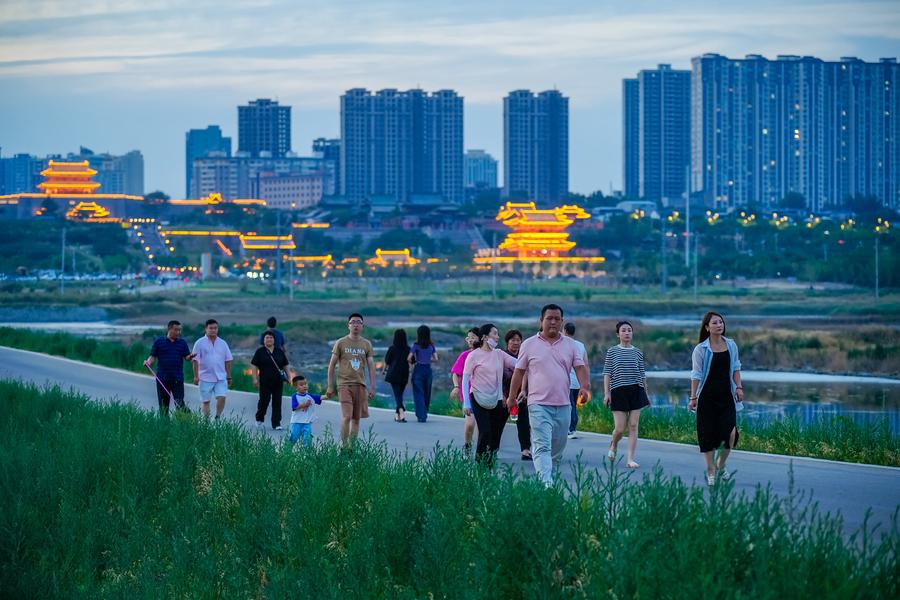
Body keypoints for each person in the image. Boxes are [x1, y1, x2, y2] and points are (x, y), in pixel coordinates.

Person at [506, 304, 590, 486]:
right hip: (538, 403)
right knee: (542, 444)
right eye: (549, 318)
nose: (553, 322)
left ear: (562, 321)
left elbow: (580, 368)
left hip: (563, 403)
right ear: (541, 321)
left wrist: (584, 386)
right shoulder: (528, 344)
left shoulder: (571, 345)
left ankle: (546, 470)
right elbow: (519, 372)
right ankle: (546, 484)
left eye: (557, 319)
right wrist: (512, 396)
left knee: (558, 447)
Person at [689, 311, 744, 486]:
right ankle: (711, 471)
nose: (719, 325)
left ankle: (720, 465)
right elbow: (696, 374)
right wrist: (693, 397)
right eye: (715, 323)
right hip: (706, 397)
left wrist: (739, 387)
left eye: (721, 322)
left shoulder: (731, 345)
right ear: (707, 327)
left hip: (726, 396)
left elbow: (736, 367)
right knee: (707, 435)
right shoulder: (701, 349)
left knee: (731, 434)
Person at [462, 324, 518, 468]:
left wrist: (535, 361)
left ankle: (490, 462)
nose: (498, 337)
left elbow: (518, 364)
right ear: (485, 337)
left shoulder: (499, 354)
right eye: (495, 334)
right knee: (485, 432)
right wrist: (466, 403)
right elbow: (465, 379)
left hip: (497, 399)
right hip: (478, 397)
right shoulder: (473, 355)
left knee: (496, 433)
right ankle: (480, 465)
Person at [603, 321, 650, 469]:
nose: (627, 333)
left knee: (634, 425)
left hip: (637, 390)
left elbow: (642, 374)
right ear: (618, 334)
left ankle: (630, 459)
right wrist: (607, 393)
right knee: (620, 429)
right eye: (624, 330)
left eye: (629, 330)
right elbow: (607, 373)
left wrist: (646, 395)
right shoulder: (612, 351)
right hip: (618, 391)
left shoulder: (638, 352)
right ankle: (614, 443)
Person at [325, 313, 376, 447]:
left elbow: (371, 367)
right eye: (353, 322)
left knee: (356, 419)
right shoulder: (341, 343)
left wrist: (372, 387)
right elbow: (331, 366)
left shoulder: (366, 344)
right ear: (348, 325)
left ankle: (351, 448)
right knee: (347, 416)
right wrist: (330, 386)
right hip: (344, 384)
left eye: (359, 322)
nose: (356, 325)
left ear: (362, 326)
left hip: (360, 385)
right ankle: (344, 446)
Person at [144, 320, 195, 415]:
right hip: (162, 378)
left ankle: (186, 420)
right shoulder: (159, 342)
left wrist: (190, 357)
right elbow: (152, 356)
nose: (178, 332)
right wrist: (148, 362)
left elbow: (186, 357)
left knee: (179, 402)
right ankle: (165, 425)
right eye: (176, 330)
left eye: (180, 330)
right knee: (164, 405)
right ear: (169, 329)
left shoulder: (182, 343)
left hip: (177, 378)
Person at [192, 319, 233, 419]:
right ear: (206, 329)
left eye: (215, 328)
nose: (213, 330)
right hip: (205, 377)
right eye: (211, 328)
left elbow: (228, 360)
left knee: (222, 397)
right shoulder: (199, 343)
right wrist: (196, 376)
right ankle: (205, 421)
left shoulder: (223, 343)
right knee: (206, 401)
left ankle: (217, 417)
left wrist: (229, 376)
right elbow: (195, 361)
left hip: (220, 376)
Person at [251, 331, 291, 430]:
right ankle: (259, 418)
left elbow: (285, 364)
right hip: (265, 381)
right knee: (264, 401)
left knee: (277, 402)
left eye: (271, 338)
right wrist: (255, 379)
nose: (269, 339)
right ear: (263, 340)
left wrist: (289, 377)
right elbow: (254, 365)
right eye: (267, 338)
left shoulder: (279, 351)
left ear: (274, 340)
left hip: (278, 381)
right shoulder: (260, 352)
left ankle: (276, 423)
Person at [450, 328, 480, 453]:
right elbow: (456, 373)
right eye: (468, 337)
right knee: (470, 425)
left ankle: (481, 450)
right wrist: (456, 387)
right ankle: (467, 445)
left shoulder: (489, 354)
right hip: (468, 395)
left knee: (481, 427)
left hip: (484, 395)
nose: (470, 340)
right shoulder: (465, 355)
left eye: (473, 337)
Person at [502, 329, 531, 461]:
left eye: (518, 340)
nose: (516, 343)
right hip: (504, 396)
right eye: (512, 340)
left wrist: (526, 392)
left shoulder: (524, 356)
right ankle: (492, 449)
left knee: (524, 423)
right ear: (507, 342)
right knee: (498, 424)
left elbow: (530, 375)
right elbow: (497, 378)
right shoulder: (501, 356)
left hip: (520, 396)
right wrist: (502, 395)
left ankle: (525, 450)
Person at [408, 325, 439, 423]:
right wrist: (428, 360)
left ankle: (421, 415)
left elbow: (409, 358)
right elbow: (436, 359)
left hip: (418, 370)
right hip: (428, 371)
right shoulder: (431, 345)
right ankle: (424, 413)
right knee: (427, 392)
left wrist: (414, 363)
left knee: (418, 393)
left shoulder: (416, 345)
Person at [563, 322, 587, 439]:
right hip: (578, 382)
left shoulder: (563, 344)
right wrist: (586, 382)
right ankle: (572, 429)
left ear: (565, 330)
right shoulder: (581, 345)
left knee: (570, 406)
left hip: (567, 382)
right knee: (574, 406)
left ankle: (570, 430)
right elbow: (585, 365)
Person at [383, 329, 411, 422]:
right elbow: (412, 361)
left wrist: (384, 371)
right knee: (399, 395)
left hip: (393, 374)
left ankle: (401, 414)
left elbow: (387, 361)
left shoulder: (392, 348)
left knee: (398, 395)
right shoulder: (408, 349)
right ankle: (397, 415)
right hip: (404, 374)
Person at [289, 375, 322, 447]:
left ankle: (306, 455)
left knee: (307, 440)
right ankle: (287, 453)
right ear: (296, 387)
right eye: (301, 385)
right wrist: (304, 405)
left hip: (307, 423)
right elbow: (294, 407)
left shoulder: (310, 396)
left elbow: (320, 398)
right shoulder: (294, 396)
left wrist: (328, 395)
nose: (304, 386)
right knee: (292, 439)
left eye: (305, 384)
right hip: (296, 422)